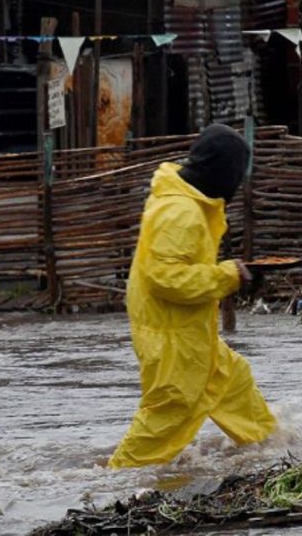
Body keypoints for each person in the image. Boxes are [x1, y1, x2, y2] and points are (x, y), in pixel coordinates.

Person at [108, 124, 278, 469]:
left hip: (186, 331)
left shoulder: (188, 203)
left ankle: (269, 450)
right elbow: (166, 277)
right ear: (223, 174)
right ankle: (118, 481)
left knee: (234, 381)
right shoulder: (181, 212)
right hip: (171, 337)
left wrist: (235, 274)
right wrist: (228, 274)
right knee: (170, 411)